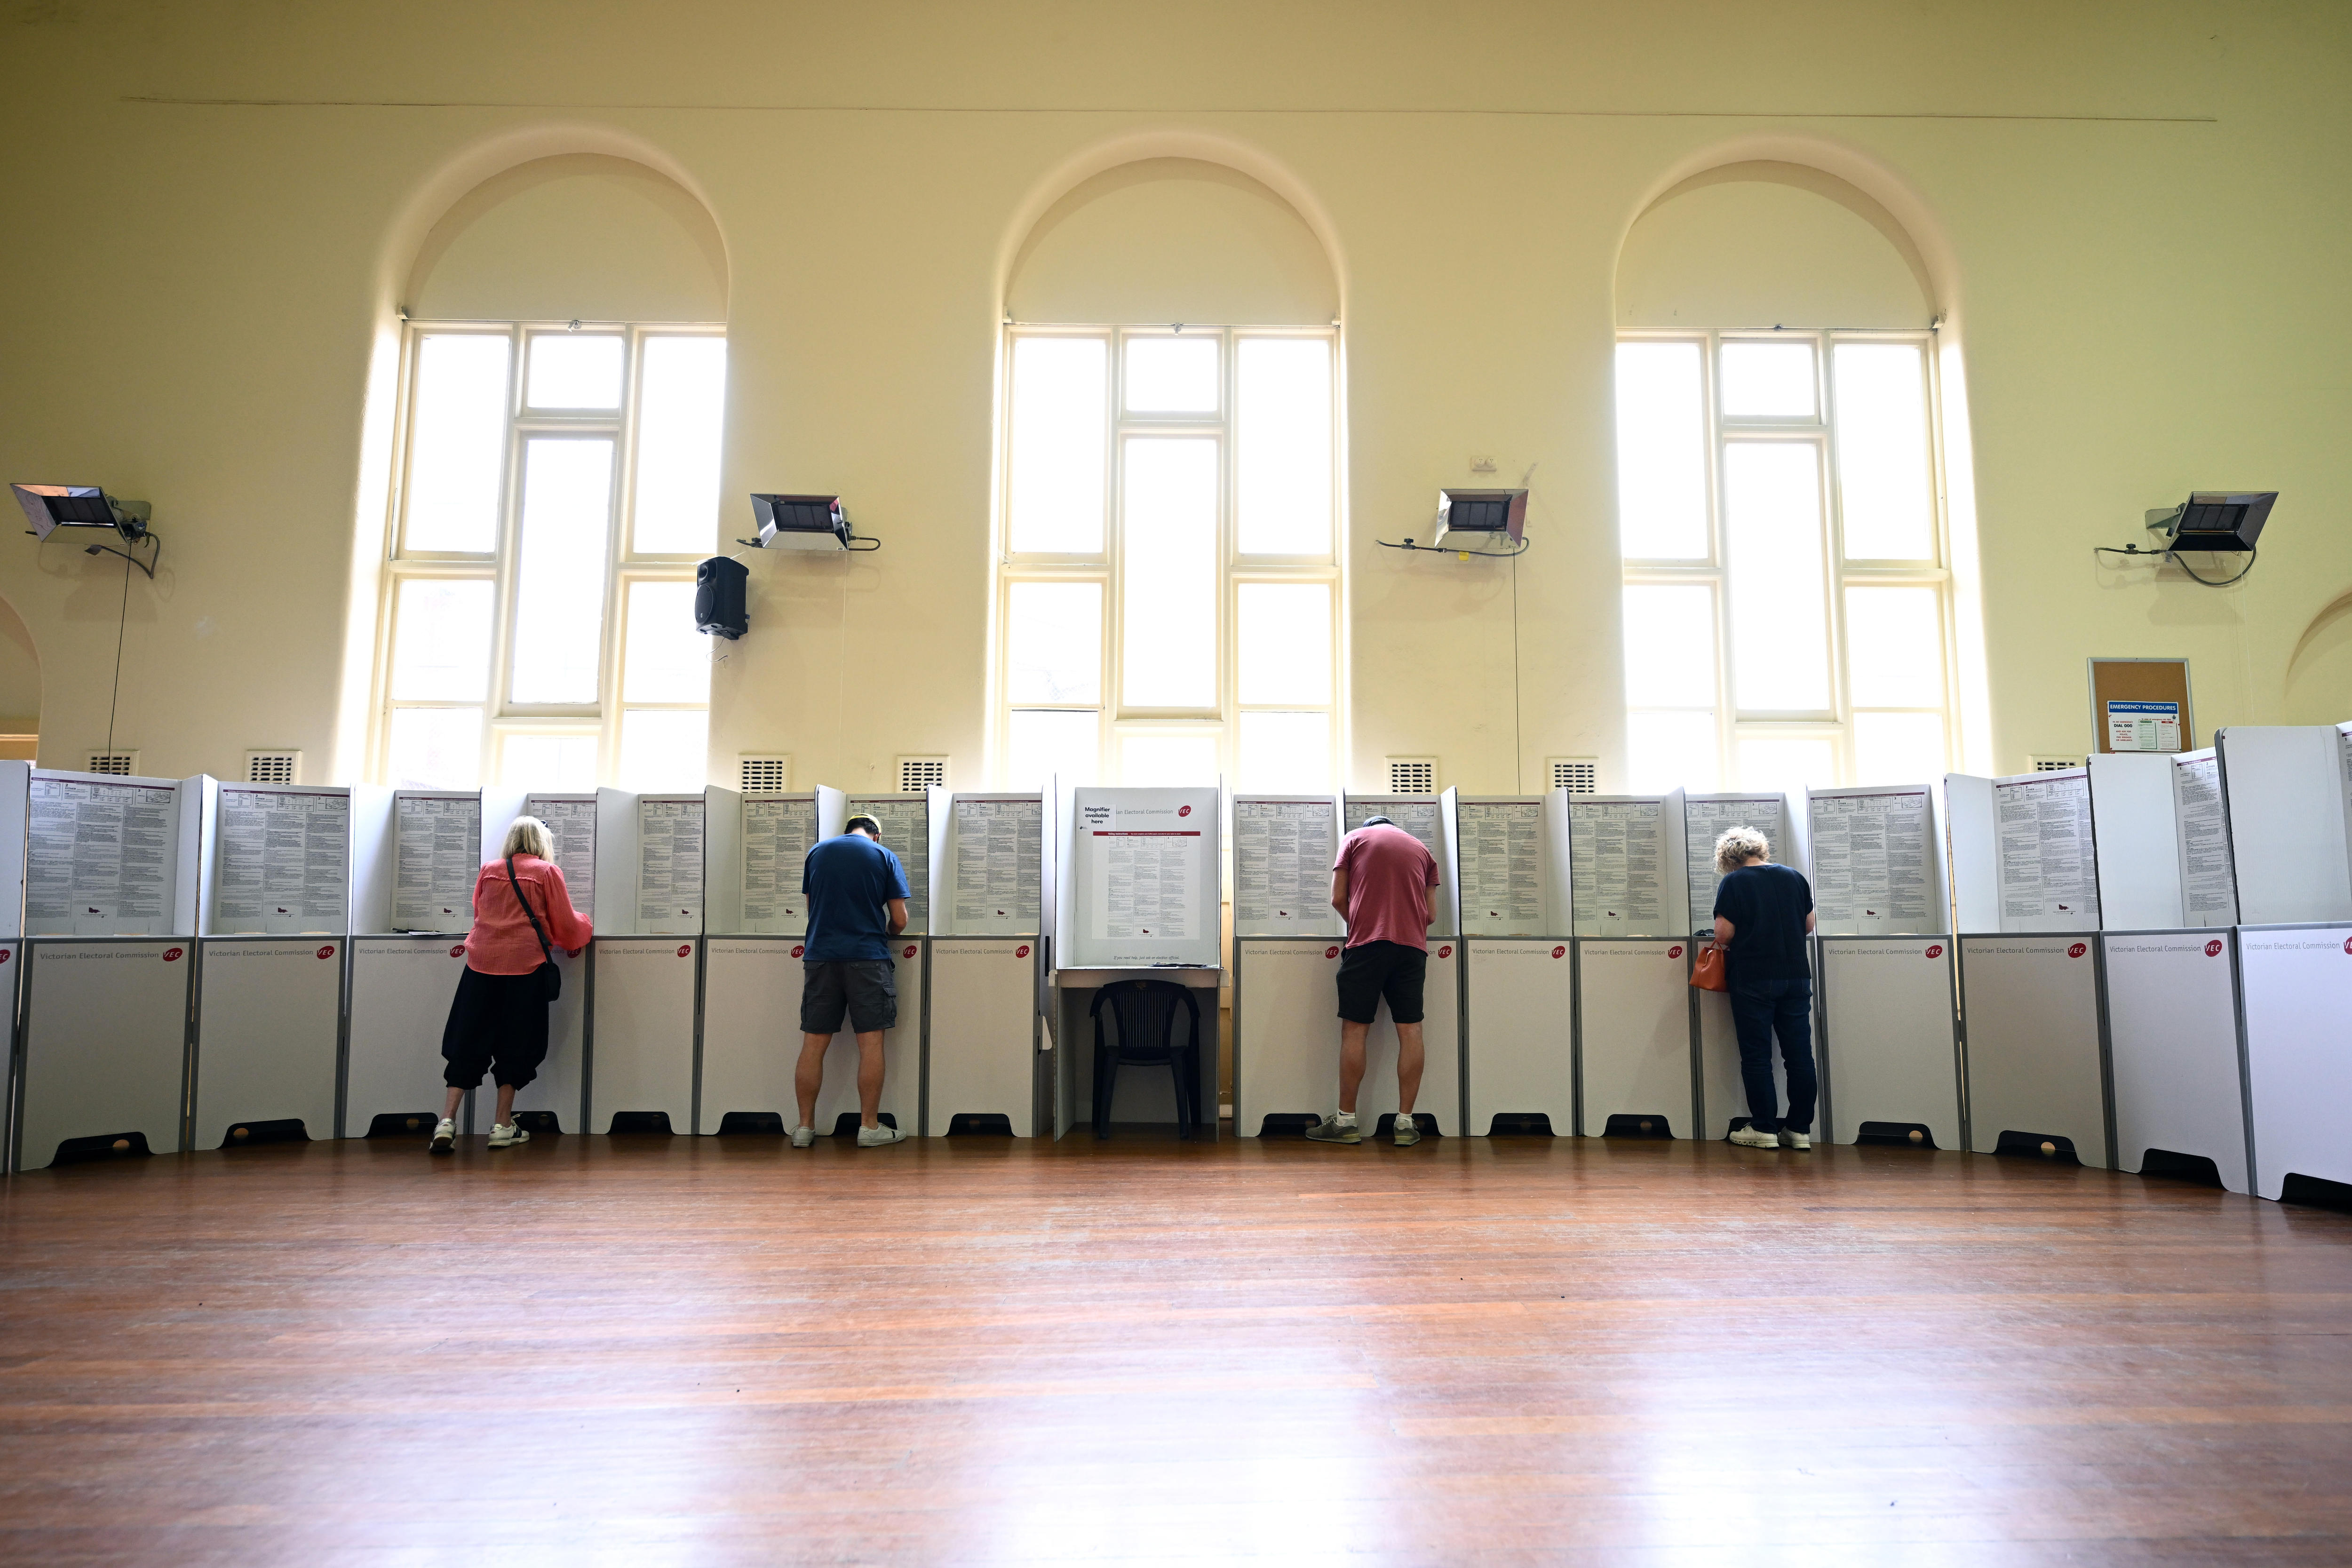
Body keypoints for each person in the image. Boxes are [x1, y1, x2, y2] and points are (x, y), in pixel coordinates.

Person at [430, 816, 591, 1154]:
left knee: (467, 1039)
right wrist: (586, 925)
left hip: (480, 967)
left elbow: (479, 912)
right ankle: (502, 1125)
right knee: (518, 1043)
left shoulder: (489, 870)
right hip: (525, 968)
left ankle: (446, 1121)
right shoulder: (547, 873)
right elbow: (566, 927)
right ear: (542, 842)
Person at [1307, 815, 1440, 1147]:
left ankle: (1346, 1122)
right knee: (1411, 1030)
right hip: (1411, 950)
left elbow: (1338, 898)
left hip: (1366, 946)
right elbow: (1431, 915)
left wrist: (1362, 923)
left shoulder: (1355, 839)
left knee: (1355, 1030)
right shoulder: (1423, 850)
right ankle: (1405, 1124)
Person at [792, 814, 912, 1147]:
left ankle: (804, 1128)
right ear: (877, 835)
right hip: (868, 958)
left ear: (846, 831)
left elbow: (811, 907)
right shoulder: (884, 855)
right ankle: (869, 1128)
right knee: (870, 1044)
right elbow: (900, 919)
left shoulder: (817, 852)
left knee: (813, 1044)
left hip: (821, 957)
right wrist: (887, 932)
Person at [1709, 825, 1818, 1151]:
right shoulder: (1794, 877)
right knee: (1799, 1056)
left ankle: (1764, 1128)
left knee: (1757, 1057)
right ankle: (1799, 1130)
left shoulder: (1734, 882)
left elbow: (1723, 934)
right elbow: (1809, 925)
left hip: (1754, 978)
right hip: (1796, 977)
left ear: (1728, 858)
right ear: (1759, 849)